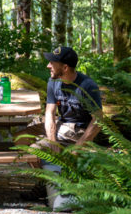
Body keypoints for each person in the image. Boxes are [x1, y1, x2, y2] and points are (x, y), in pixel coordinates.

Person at [16, 46, 103, 200]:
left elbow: (98, 120)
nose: (48, 65)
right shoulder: (53, 81)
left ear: (65, 67)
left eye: (52, 62)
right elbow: (49, 112)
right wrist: (52, 141)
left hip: (78, 131)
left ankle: (56, 190)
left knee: (35, 149)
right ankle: (46, 184)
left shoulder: (87, 85)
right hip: (61, 126)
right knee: (21, 138)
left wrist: (79, 146)